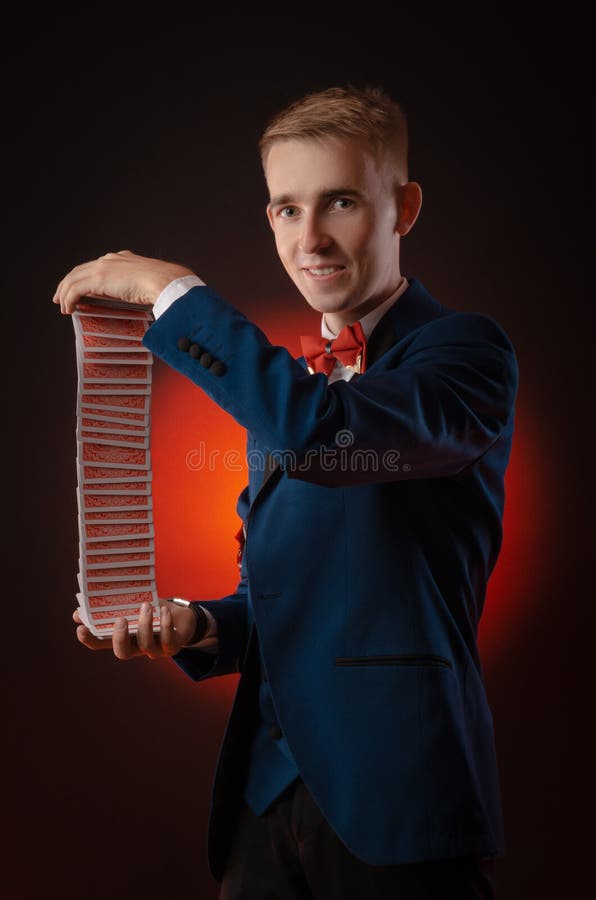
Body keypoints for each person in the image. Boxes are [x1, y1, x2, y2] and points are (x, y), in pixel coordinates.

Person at [53, 85, 518, 899]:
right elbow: (278, 604)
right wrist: (195, 627)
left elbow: (323, 438)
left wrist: (172, 295)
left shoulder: (465, 356)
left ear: (403, 207)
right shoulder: (292, 389)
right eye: (285, 209)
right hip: (261, 812)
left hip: (398, 804)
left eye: (339, 201)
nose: (311, 238)